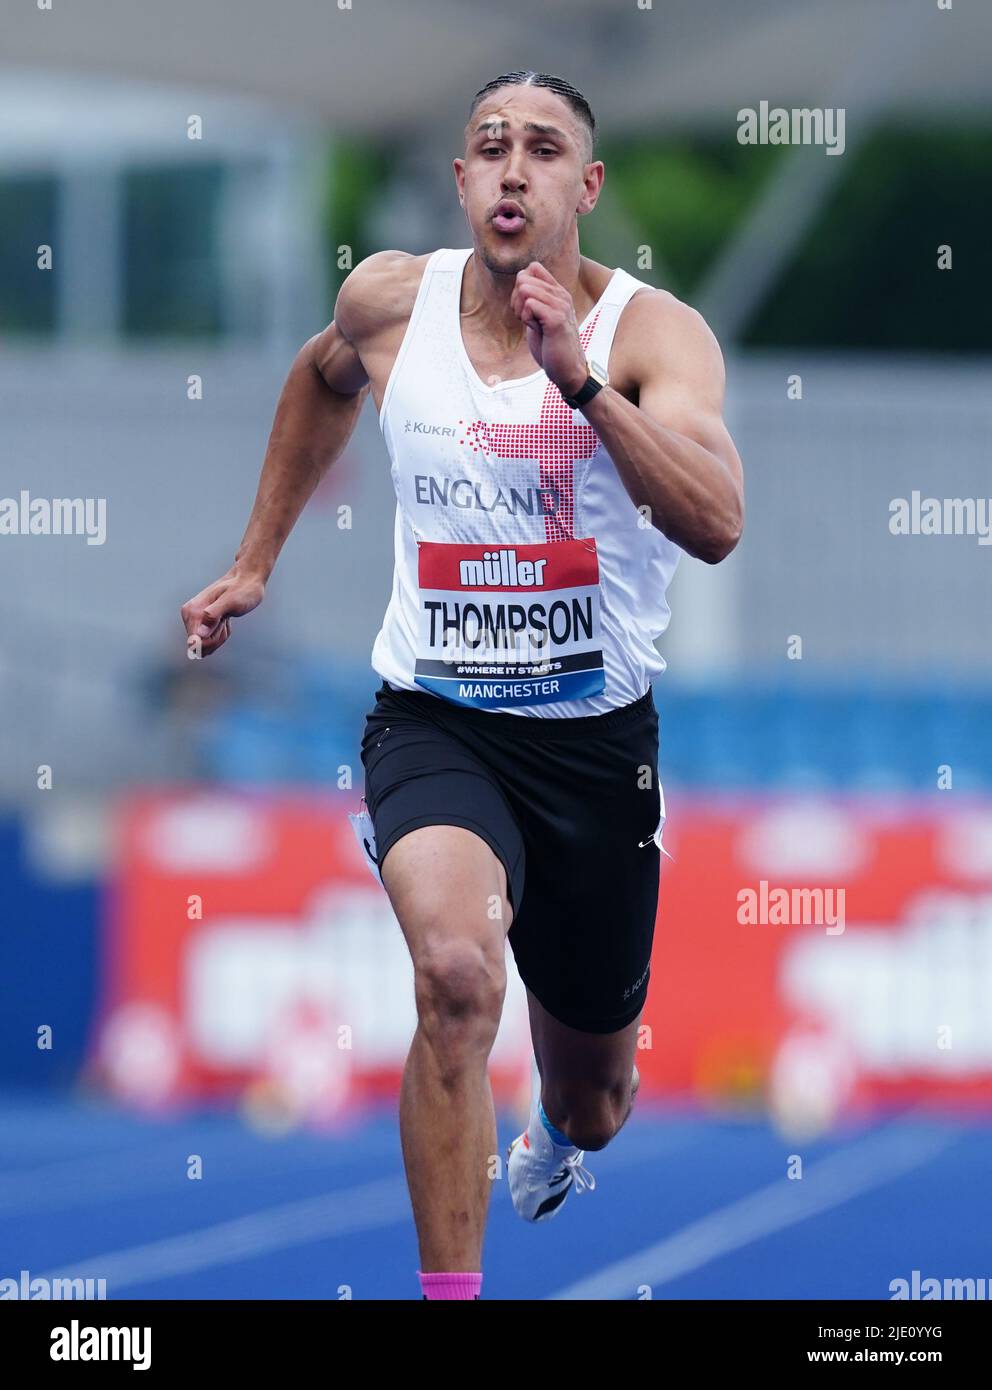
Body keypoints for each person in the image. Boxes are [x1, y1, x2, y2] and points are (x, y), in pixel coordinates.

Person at [180, 70, 744, 1301]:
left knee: (595, 1100)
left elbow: (714, 523)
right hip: (437, 723)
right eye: (489, 146)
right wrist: (254, 561)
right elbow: (317, 382)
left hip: (595, 748)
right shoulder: (390, 302)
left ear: (584, 187)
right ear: (458, 179)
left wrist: (579, 384)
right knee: (453, 975)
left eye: (543, 150)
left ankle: (553, 1137)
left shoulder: (652, 336)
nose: (511, 168)